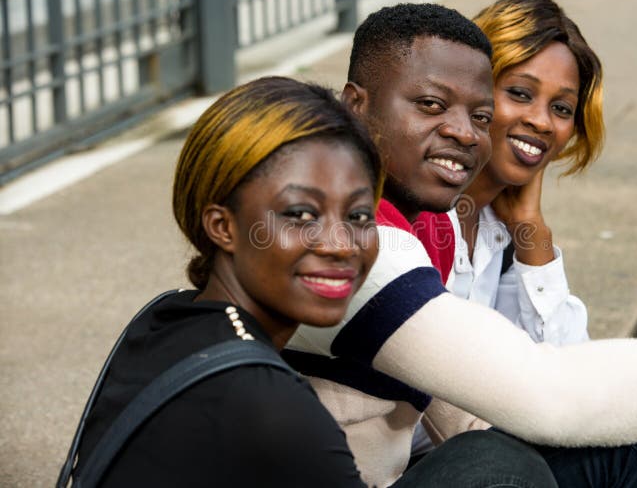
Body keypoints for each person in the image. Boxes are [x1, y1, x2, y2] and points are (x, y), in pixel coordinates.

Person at [282, 3, 637, 487]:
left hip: (419, 459)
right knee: (543, 450)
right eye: (432, 105)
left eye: (479, 116)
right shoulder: (352, 245)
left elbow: (474, 402)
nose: (464, 132)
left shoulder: (428, 230)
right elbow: (542, 389)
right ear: (357, 105)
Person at [67, 76, 555, 487]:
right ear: (223, 225)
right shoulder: (273, 407)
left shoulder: (166, 316)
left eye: (360, 214)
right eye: (301, 213)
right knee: (502, 466)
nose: (341, 244)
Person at [415, 0, 637, 486]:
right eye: (519, 93)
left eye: (561, 107)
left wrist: (532, 233)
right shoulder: (418, 219)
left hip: (493, 447)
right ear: (474, 89)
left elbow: (568, 360)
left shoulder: (500, 230)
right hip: (431, 466)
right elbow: (536, 399)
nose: (540, 120)